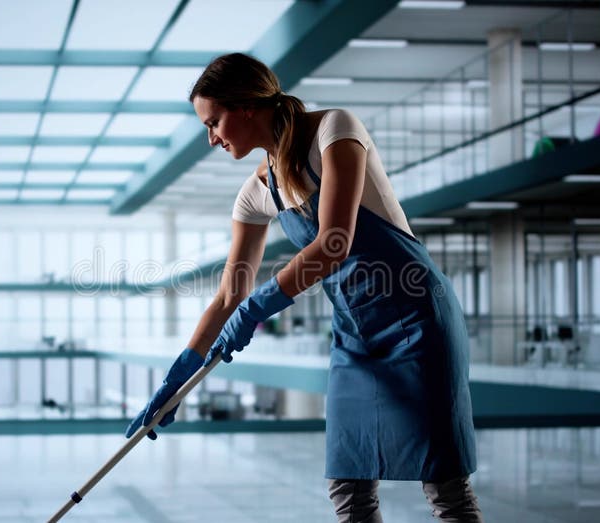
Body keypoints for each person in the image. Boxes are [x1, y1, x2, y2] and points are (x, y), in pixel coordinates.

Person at [126, 53, 482, 522]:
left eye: (214, 123)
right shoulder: (255, 192)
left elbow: (334, 243)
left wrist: (257, 308)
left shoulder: (336, 131)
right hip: (355, 338)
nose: (211, 137)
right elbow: (229, 294)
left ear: (246, 108)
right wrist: (179, 378)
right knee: (348, 489)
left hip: (417, 319)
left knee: (445, 488)